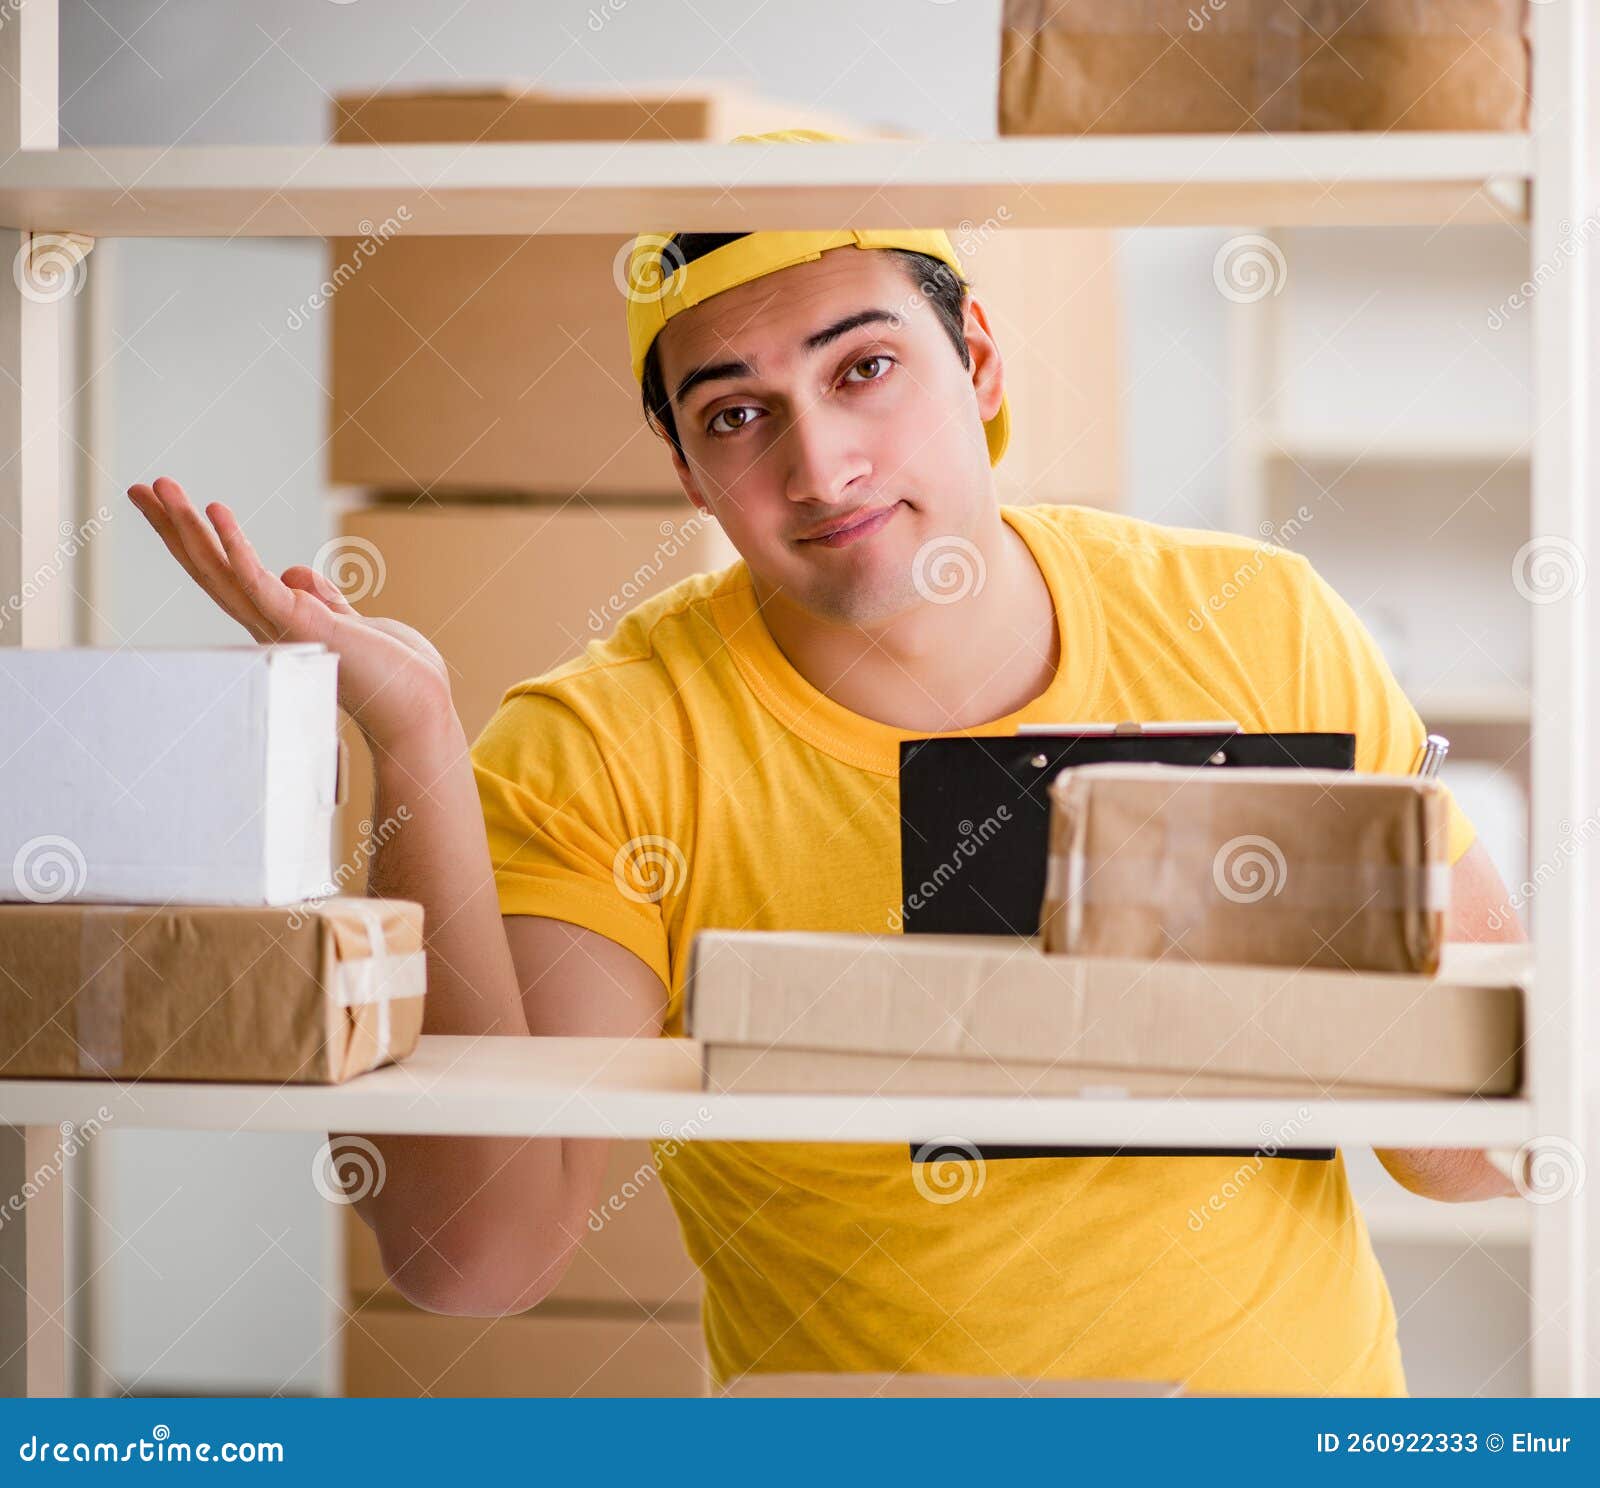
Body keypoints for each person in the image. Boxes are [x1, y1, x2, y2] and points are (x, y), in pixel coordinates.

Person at [128, 130, 1525, 1398]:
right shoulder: (605, 747)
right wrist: (414, 739)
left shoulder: (1258, 623)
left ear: (977, 361)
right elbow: (477, 1257)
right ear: (686, 471)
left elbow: (1472, 1156)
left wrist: (1274, 940)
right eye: (736, 415)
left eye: (864, 369)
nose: (823, 465)